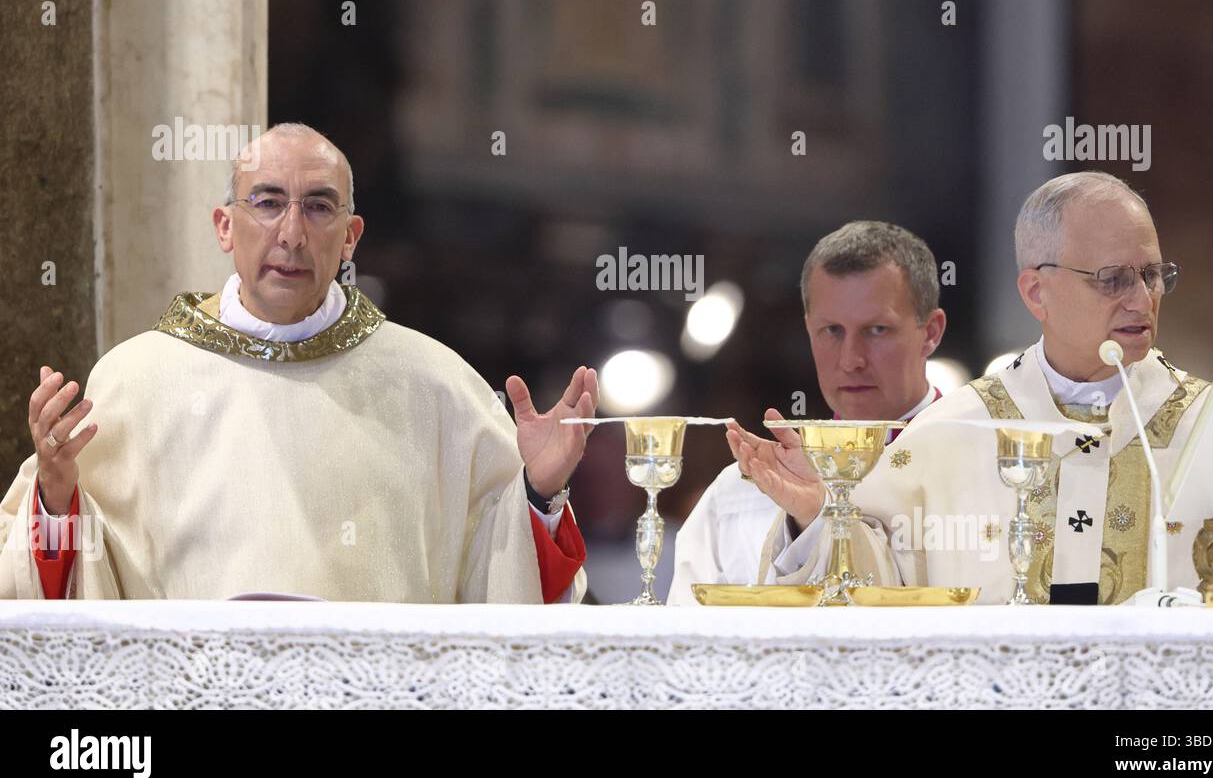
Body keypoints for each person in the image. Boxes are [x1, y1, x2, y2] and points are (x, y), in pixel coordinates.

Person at [3, 123, 593, 603]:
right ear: (225, 226)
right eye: (267, 202)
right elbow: (57, 600)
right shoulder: (135, 382)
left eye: (318, 208)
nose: (291, 234)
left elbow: (506, 584)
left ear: (351, 237)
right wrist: (57, 500)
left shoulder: (433, 385)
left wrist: (540, 494)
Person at [742, 171, 1213, 605]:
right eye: (1114, 280)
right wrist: (816, 518)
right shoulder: (951, 434)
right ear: (1035, 293)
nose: (1141, 299)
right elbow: (878, 599)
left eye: (1153, 275)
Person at [667, 221, 946, 604]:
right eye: (831, 331)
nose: (851, 360)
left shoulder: (990, 472)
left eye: (877, 330)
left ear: (931, 331)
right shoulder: (741, 493)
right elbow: (684, 647)